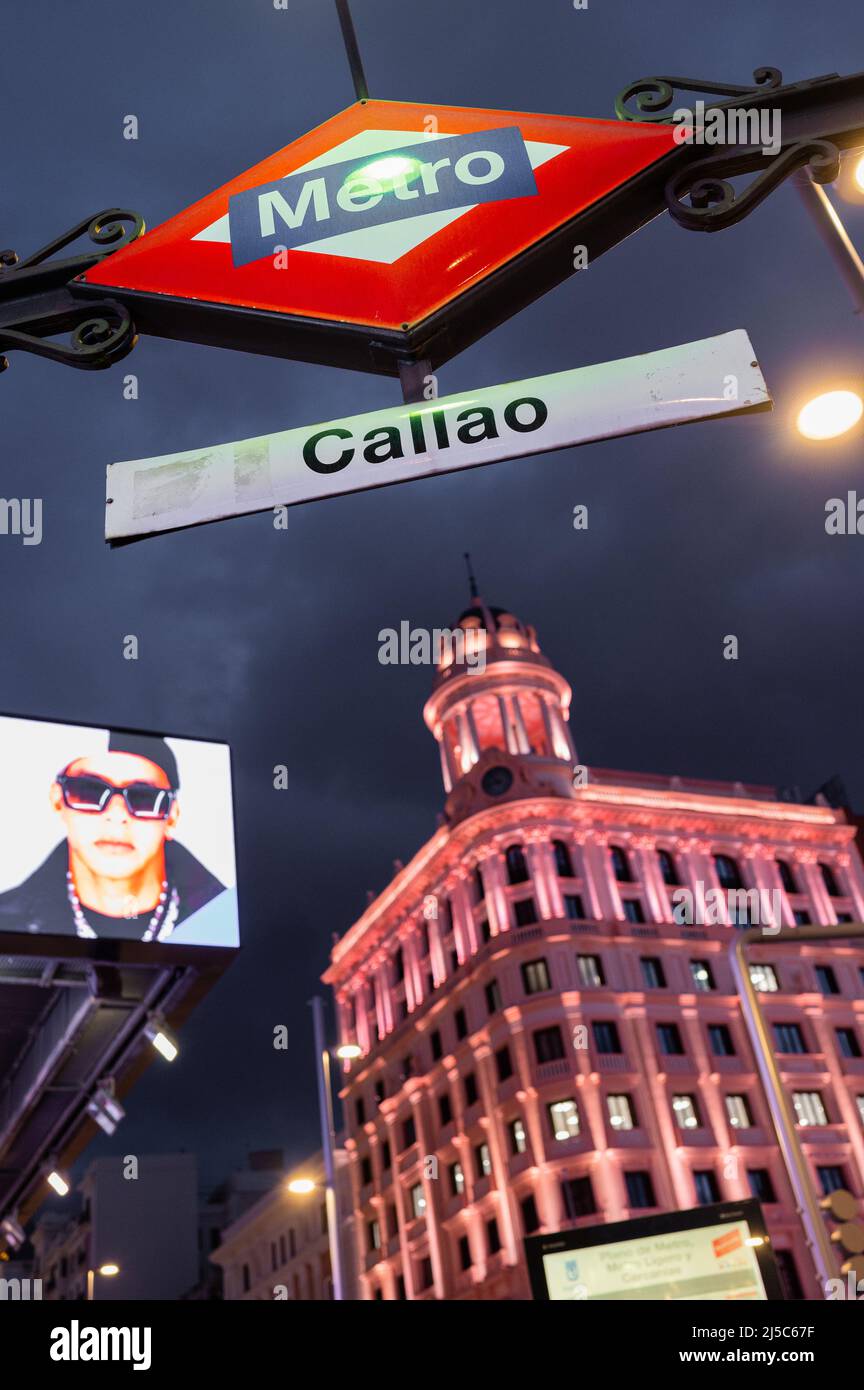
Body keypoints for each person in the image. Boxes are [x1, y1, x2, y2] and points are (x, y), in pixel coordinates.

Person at [0, 731, 226, 942]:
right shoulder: (6, 921)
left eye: (144, 797)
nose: (117, 815)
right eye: (89, 791)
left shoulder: (227, 924)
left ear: (172, 816)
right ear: (58, 800)